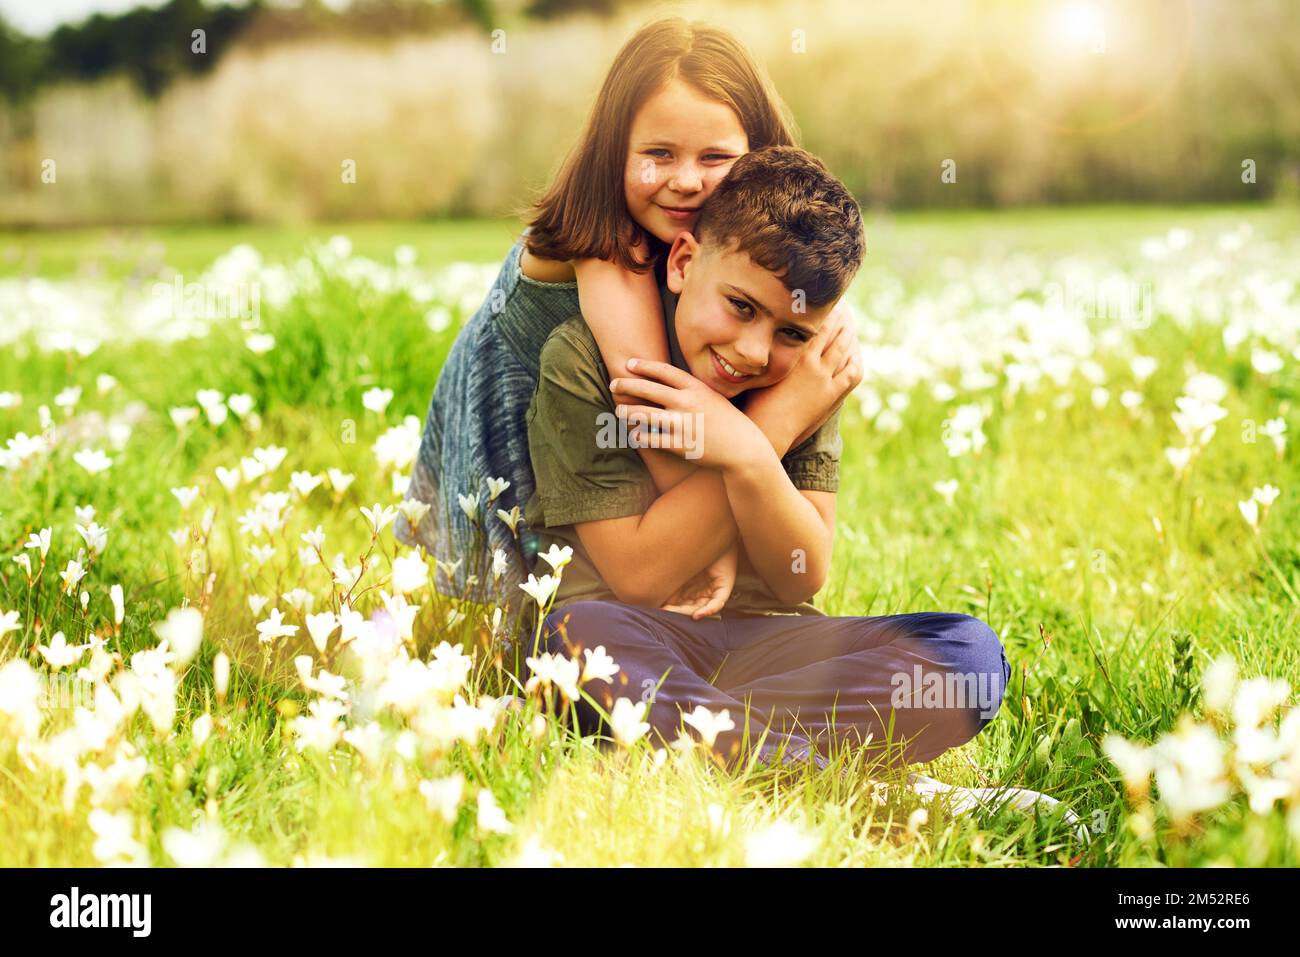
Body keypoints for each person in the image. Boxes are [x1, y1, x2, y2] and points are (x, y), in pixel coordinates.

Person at [524, 146, 1011, 771]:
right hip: (639, 633)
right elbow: (641, 577)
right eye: (742, 307)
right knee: (574, 641)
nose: (754, 352)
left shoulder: (809, 378)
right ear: (683, 261)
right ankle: (814, 771)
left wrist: (751, 453)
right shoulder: (582, 361)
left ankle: (728, 747)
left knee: (967, 655)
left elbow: (799, 575)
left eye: (792, 332)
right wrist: (767, 431)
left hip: (771, 644)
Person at [395, 18, 840, 623]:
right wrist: (770, 436)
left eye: (715, 157)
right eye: (658, 155)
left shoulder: (732, 256)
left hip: (620, 451)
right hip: (535, 422)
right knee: (539, 609)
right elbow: (653, 416)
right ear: (615, 151)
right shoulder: (608, 245)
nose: (685, 181)